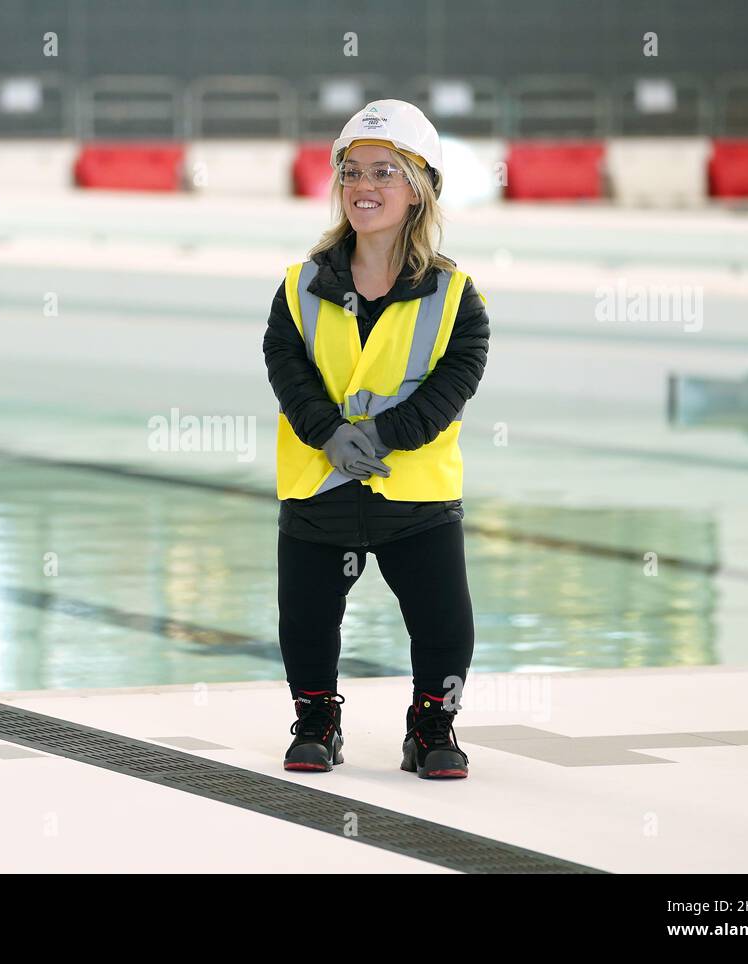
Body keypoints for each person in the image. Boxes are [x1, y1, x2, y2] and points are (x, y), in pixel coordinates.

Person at [262, 99, 490, 779]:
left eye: (385, 172)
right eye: (353, 172)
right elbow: (287, 366)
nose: (365, 186)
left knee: (444, 623)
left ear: (419, 188)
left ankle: (431, 728)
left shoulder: (454, 294)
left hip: (412, 490)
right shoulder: (300, 284)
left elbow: (454, 383)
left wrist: (384, 436)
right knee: (306, 620)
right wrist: (328, 433)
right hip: (319, 481)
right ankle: (316, 721)